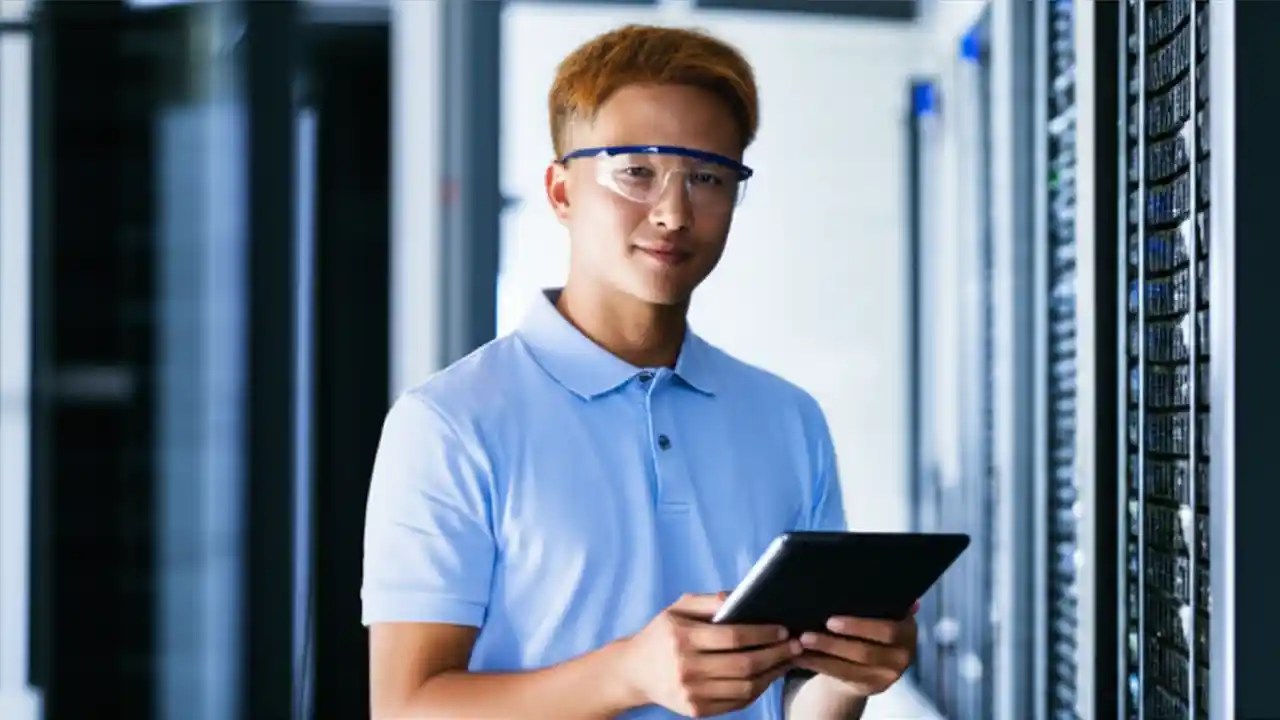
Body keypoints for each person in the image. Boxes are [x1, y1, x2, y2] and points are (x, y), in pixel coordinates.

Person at [362, 23, 916, 719]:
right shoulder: (448, 423)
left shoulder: (788, 419)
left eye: (708, 178)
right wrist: (629, 673)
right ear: (561, 192)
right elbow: (406, 708)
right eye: (636, 172)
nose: (673, 213)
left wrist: (850, 674)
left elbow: (799, 704)